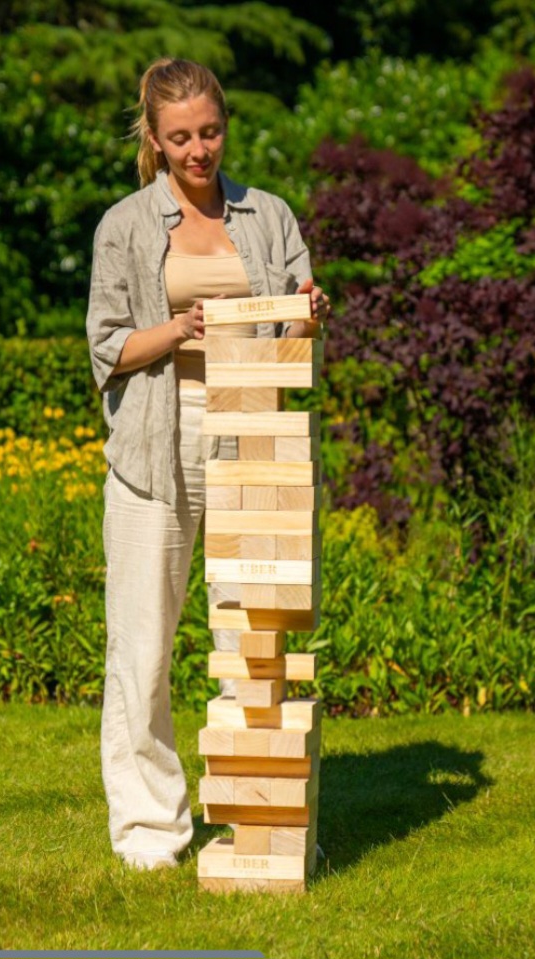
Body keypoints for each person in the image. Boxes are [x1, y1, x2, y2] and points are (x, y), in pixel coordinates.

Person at [85, 57, 330, 871]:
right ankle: (152, 833)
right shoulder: (124, 225)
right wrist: (183, 328)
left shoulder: (268, 215)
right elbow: (109, 346)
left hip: (250, 442)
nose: (200, 150)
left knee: (250, 638)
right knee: (143, 648)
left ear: (226, 126)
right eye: (181, 136)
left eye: (211, 131)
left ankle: (251, 821)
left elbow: (288, 342)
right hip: (157, 445)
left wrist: (307, 316)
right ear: (154, 139)